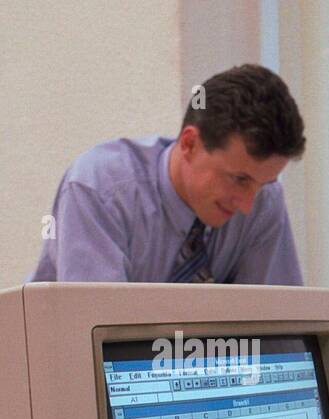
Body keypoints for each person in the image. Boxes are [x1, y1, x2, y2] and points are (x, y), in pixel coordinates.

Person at [31, 64, 305, 285]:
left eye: (264, 183)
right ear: (189, 144)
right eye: (239, 179)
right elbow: (90, 338)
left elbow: (277, 334)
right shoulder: (99, 190)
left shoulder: (264, 201)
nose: (247, 205)